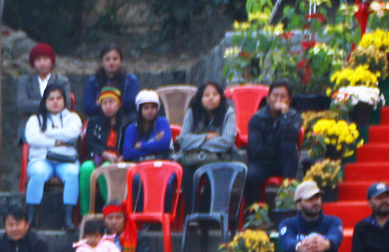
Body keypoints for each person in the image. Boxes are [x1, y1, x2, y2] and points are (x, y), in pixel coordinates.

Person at [176, 82, 241, 212]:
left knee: (216, 174)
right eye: (206, 95)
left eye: (215, 94)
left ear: (221, 97)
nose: (211, 98)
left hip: (219, 158)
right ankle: (192, 215)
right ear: (200, 98)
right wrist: (206, 137)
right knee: (187, 174)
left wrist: (197, 143)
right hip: (192, 158)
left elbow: (227, 141)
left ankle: (207, 216)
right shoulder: (192, 113)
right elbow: (183, 140)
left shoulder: (228, 113)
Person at [23, 85, 83, 224]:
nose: (55, 102)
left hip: (66, 160)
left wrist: (48, 133)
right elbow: (32, 138)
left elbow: (73, 134)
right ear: (45, 101)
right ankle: (31, 218)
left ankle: (68, 218)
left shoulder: (73, 117)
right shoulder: (35, 119)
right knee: (38, 173)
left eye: (59, 98)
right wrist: (58, 142)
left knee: (72, 174)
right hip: (41, 159)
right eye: (51, 99)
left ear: (64, 100)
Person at [245, 81, 303, 205]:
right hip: (262, 162)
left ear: (289, 100)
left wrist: (284, 115)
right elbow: (255, 150)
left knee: (287, 146)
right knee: (251, 176)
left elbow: (291, 137)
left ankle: (287, 205)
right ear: (268, 99)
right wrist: (276, 146)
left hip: (284, 163)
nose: (278, 100)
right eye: (275, 96)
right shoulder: (257, 118)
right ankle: (254, 215)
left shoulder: (294, 116)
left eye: (283, 97)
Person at [79, 88, 128, 215]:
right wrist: (104, 154)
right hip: (98, 158)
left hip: (119, 161)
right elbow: (90, 143)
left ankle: (113, 212)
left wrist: (121, 157)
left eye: (111, 102)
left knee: (106, 169)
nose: (108, 106)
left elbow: (128, 145)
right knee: (85, 168)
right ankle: (86, 214)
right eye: (104, 103)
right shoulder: (94, 121)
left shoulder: (127, 123)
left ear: (119, 103)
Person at [14, 44, 72, 138]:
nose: (42, 63)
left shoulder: (62, 81)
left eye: (45, 59)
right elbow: (22, 105)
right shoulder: (25, 81)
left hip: (57, 125)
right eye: (38, 60)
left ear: (52, 61)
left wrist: (37, 105)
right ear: (33, 63)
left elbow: (66, 104)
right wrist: (50, 104)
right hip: (30, 126)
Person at [81, 43, 140, 119]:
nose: (111, 62)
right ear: (102, 62)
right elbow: (88, 108)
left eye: (115, 59)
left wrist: (103, 104)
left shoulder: (131, 80)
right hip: (99, 118)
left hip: (125, 117)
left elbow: (132, 104)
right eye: (107, 59)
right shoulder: (93, 82)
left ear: (120, 61)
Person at [121, 90, 174, 163]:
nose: (150, 111)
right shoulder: (132, 129)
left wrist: (141, 146)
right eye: (146, 108)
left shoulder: (162, 122)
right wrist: (156, 148)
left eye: (153, 108)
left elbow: (165, 144)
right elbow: (127, 153)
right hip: (138, 168)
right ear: (139, 110)